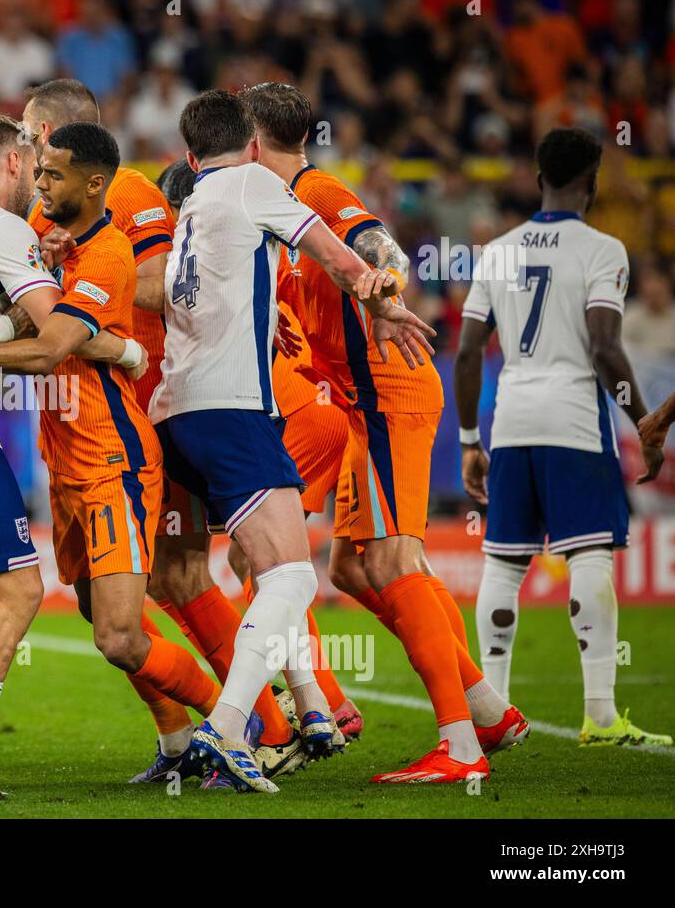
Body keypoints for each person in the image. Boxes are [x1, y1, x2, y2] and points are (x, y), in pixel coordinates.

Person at [0, 123, 228, 780]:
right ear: (12, 160)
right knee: (24, 591)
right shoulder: (5, 233)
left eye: (52, 174)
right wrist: (124, 348)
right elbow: (46, 339)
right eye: (36, 168)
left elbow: (19, 326)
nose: (39, 184)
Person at [242, 82, 529, 784]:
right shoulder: (284, 211)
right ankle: (488, 708)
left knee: (396, 561)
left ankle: (461, 747)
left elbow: (382, 246)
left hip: (386, 392)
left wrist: (381, 295)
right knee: (347, 567)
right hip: (358, 400)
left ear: (252, 144)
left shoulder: (316, 191)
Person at [150, 90, 434, 792]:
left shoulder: (190, 204)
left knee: (261, 564)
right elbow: (341, 257)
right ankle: (227, 724)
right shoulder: (255, 183)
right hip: (232, 407)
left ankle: (311, 704)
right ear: (252, 143)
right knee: (291, 575)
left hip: (176, 410)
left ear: (190, 155)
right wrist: (381, 295)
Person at [23, 78, 246, 786]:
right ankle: (183, 741)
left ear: (67, 140)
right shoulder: (44, 217)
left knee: (166, 587)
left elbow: (156, 291)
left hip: (132, 419)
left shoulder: (132, 208)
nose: (29, 158)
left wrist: (105, 333)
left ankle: (258, 724)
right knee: (109, 603)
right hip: (66, 438)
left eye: (35, 141)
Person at [455, 127, 670, 748]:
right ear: (593, 182)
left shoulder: (496, 251)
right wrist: (644, 423)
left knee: (502, 564)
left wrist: (471, 438)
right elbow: (604, 346)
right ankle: (600, 716)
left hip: (514, 419)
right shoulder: (604, 250)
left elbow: (469, 353)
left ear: (537, 174)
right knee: (589, 555)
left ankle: (492, 714)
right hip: (575, 418)